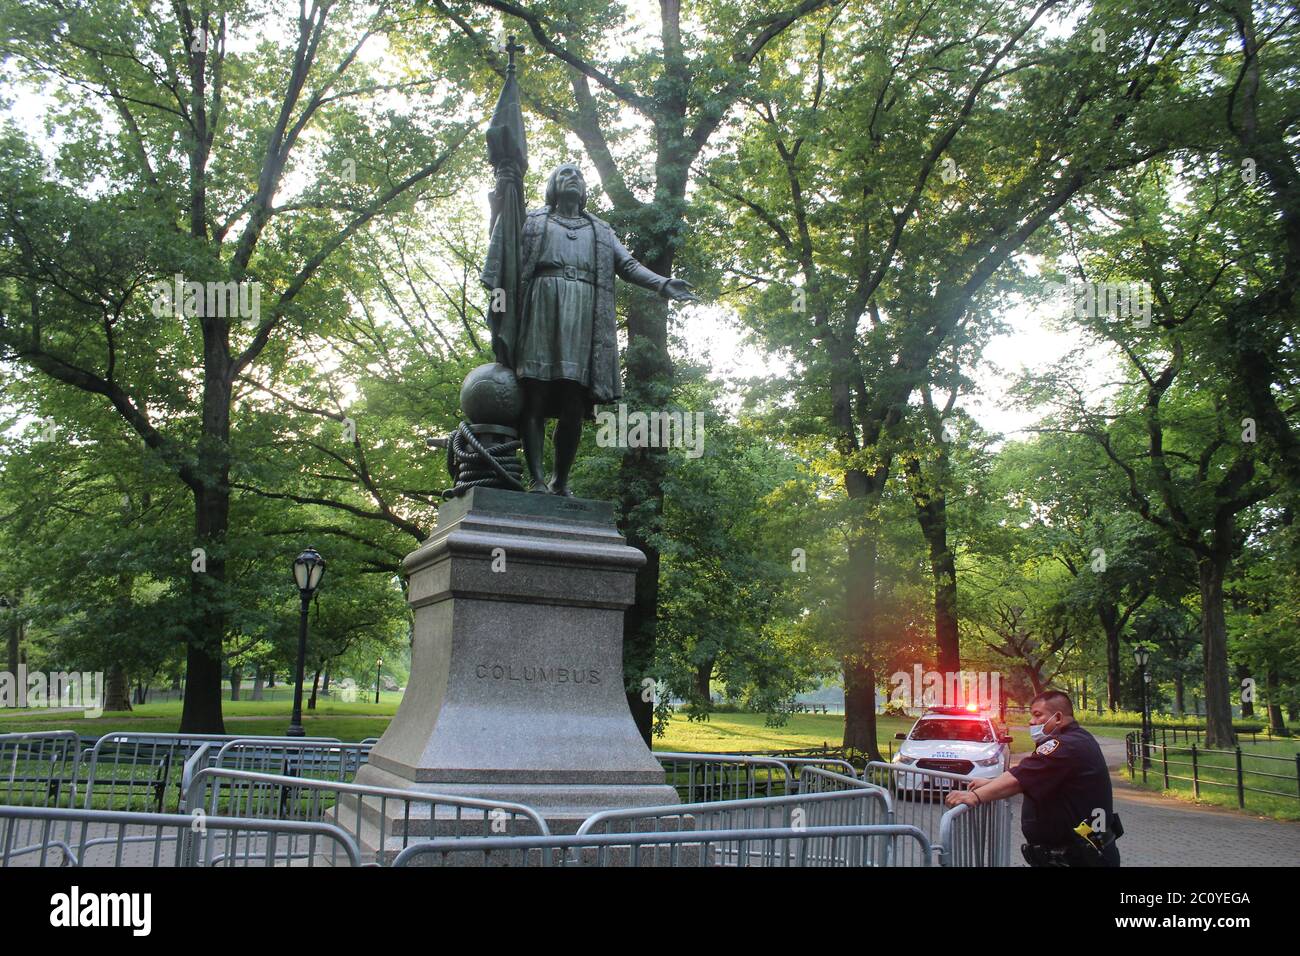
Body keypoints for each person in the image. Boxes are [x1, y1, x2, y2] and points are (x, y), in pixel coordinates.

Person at [482, 162, 698, 495]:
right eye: (564, 175)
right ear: (553, 186)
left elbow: (627, 265)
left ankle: (560, 481)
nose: (573, 179)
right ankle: (537, 479)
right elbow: (504, 241)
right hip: (541, 305)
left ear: (585, 190)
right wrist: (501, 197)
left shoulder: (599, 230)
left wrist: (663, 283)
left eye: (578, 176)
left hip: (583, 313)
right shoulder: (535, 221)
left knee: (574, 402)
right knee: (535, 394)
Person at [944, 689, 1122, 866]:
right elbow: (1028, 772)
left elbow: (1020, 778)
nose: (1031, 721)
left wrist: (973, 797)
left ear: (1058, 718)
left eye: (1038, 715)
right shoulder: (1077, 739)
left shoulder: (1064, 746)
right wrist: (993, 783)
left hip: (1081, 859)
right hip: (1084, 853)